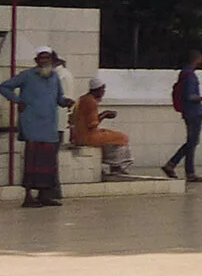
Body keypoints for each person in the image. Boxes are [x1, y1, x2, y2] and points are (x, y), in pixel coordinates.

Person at [1, 47, 72, 206]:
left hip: (49, 126)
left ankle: (44, 195)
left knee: (47, 162)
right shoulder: (27, 76)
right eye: (42, 58)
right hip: (32, 125)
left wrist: (65, 102)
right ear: (36, 61)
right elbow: (4, 86)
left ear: (52, 61)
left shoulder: (55, 78)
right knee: (31, 162)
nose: (45, 61)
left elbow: (59, 97)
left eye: (48, 59)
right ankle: (28, 197)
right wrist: (17, 100)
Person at [69, 76, 132, 175]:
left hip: (77, 135)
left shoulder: (82, 99)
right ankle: (116, 166)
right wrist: (105, 114)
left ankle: (107, 165)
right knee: (122, 137)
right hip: (86, 137)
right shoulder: (91, 102)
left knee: (110, 134)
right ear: (97, 89)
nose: (104, 92)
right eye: (103, 90)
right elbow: (92, 124)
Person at [162, 51, 202, 183]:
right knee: (192, 142)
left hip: (188, 112)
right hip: (193, 112)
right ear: (197, 59)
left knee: (191, 142)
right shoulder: (190, 76)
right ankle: (180, 168)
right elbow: (190, 95)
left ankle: (178, 167)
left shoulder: (184, 73)